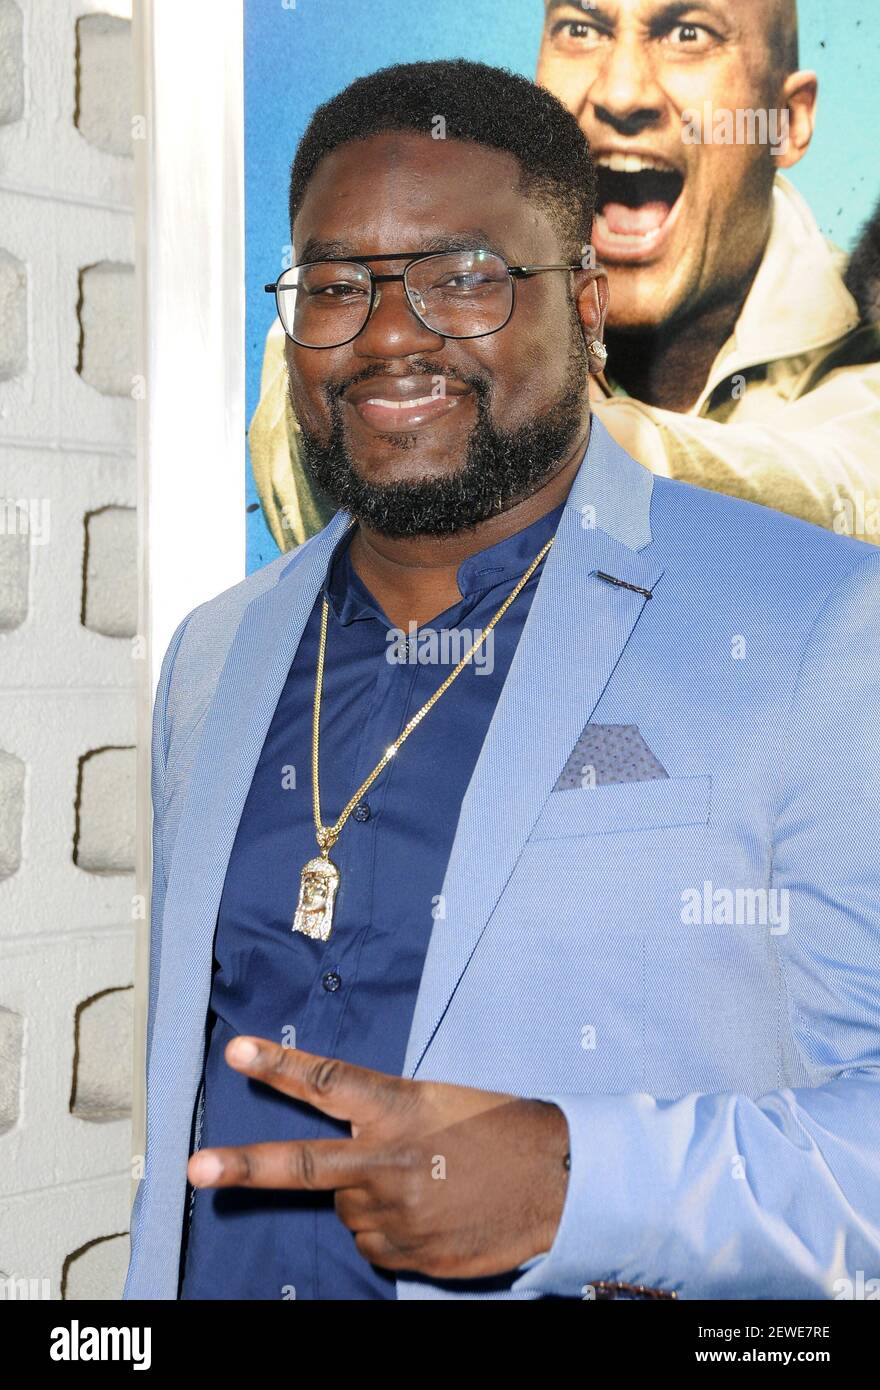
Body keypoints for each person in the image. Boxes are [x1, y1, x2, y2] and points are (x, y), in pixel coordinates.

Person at [124, 60, 880, 1301]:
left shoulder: (815, 624)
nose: (386, 336)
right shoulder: (217, 649)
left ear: (586, 304)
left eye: (463, 278)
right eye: (334, 286)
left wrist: (572, 1181)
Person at [249, 0, 880, 549]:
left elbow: (842, 492)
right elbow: (319, 475)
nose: (621, 93)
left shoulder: (862, 342)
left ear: (788, 120)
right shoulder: (350, 315)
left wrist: (585, 445)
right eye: (582, 29)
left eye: (688, 34)